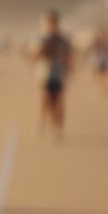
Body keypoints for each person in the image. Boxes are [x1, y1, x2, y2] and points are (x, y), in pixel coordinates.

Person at [32, 9, 73, 141]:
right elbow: (34, 56)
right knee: (45, 100)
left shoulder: (62, 40)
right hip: (44, 73)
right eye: (48, 22)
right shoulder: (41, 39)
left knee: (58, 102)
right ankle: (43, 121)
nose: (50, 24)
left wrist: (69, 68)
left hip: (58, 73)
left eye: (52, 22)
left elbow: (69, 56)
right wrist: (40, 52)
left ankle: (58, 129)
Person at [91, 28, 108, 96]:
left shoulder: (104, 41)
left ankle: (104, 86)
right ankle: (104, 87)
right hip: (103, 59)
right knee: (102, 74)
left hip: (103, 59)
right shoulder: (106, 41)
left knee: (103, 74)